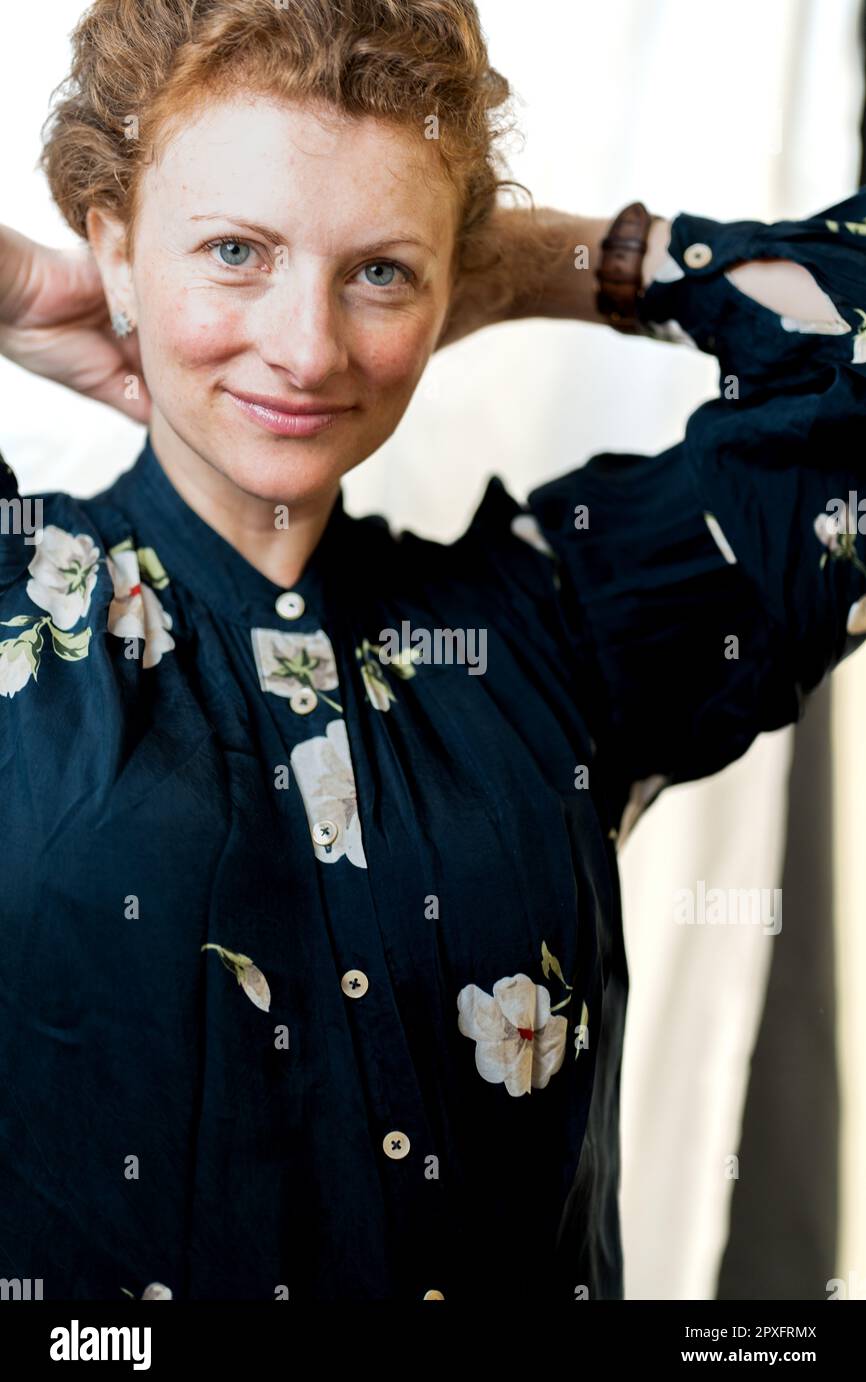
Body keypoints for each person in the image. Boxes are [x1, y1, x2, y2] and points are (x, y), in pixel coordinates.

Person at [1, 0, 865, 1302]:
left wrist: (530, 261)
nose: (305, 346)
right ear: (113, 243)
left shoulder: (562, 625)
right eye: (235, 251)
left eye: (378, 274)